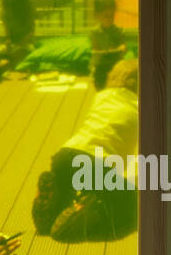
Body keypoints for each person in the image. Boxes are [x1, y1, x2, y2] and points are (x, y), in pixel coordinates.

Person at [31, 58, 140, 242]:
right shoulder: (140, 108)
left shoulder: (103, 97)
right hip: (94, 164)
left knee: (71, 185)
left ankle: (52, 207)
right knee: (130, 202)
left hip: (65, 155)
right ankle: (85, 210)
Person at [89, 0, 127, 90]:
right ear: (98, 16)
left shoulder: (118, 31)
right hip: (101, 63)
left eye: (112, 16)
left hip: (115, 62)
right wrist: (98, 52)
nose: (110, 19)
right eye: (106, 16)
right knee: (99, 75)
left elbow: (123, 45)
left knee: (121, 75)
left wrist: (122, 48)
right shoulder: (95, 32)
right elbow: (95, 49)